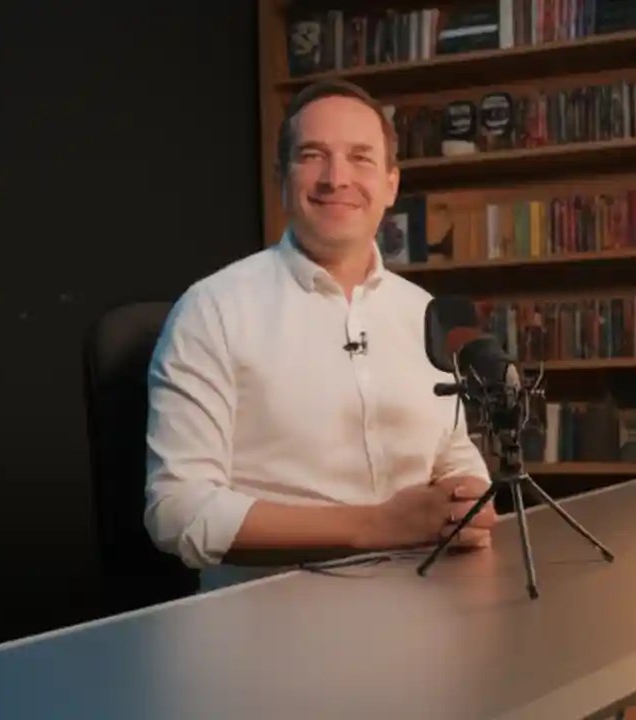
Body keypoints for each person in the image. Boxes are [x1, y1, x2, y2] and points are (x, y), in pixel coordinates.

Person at [144, 79, 495, 591]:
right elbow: (178, 511)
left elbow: (453, 450)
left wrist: (466, 500)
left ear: (391, 184)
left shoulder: (425, 312)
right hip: (268, 616)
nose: (337, 179)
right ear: (282, 179)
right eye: (313, 156)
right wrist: (377, 526)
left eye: (360, 158)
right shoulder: (211, 310)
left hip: (426, 599)